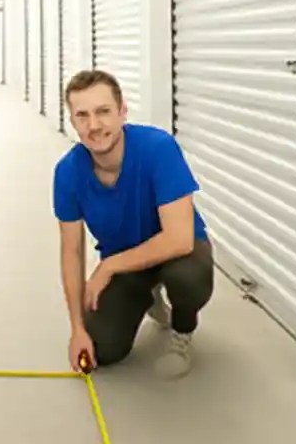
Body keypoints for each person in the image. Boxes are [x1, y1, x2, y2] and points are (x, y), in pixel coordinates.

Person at [53, 69, 214, 379]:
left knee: (188, 277)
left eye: (103, 112)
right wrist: (77, 329)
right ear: (73, 121)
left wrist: (107, 267)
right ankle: (147, 294)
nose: (94, 125)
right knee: (102, 350)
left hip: (178, 254)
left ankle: (182, 331)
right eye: (82, 116)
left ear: (122, 111)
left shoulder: (157, 148)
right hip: (130, 264)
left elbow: (179, 239)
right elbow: (70, 252)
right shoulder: (67, 173)